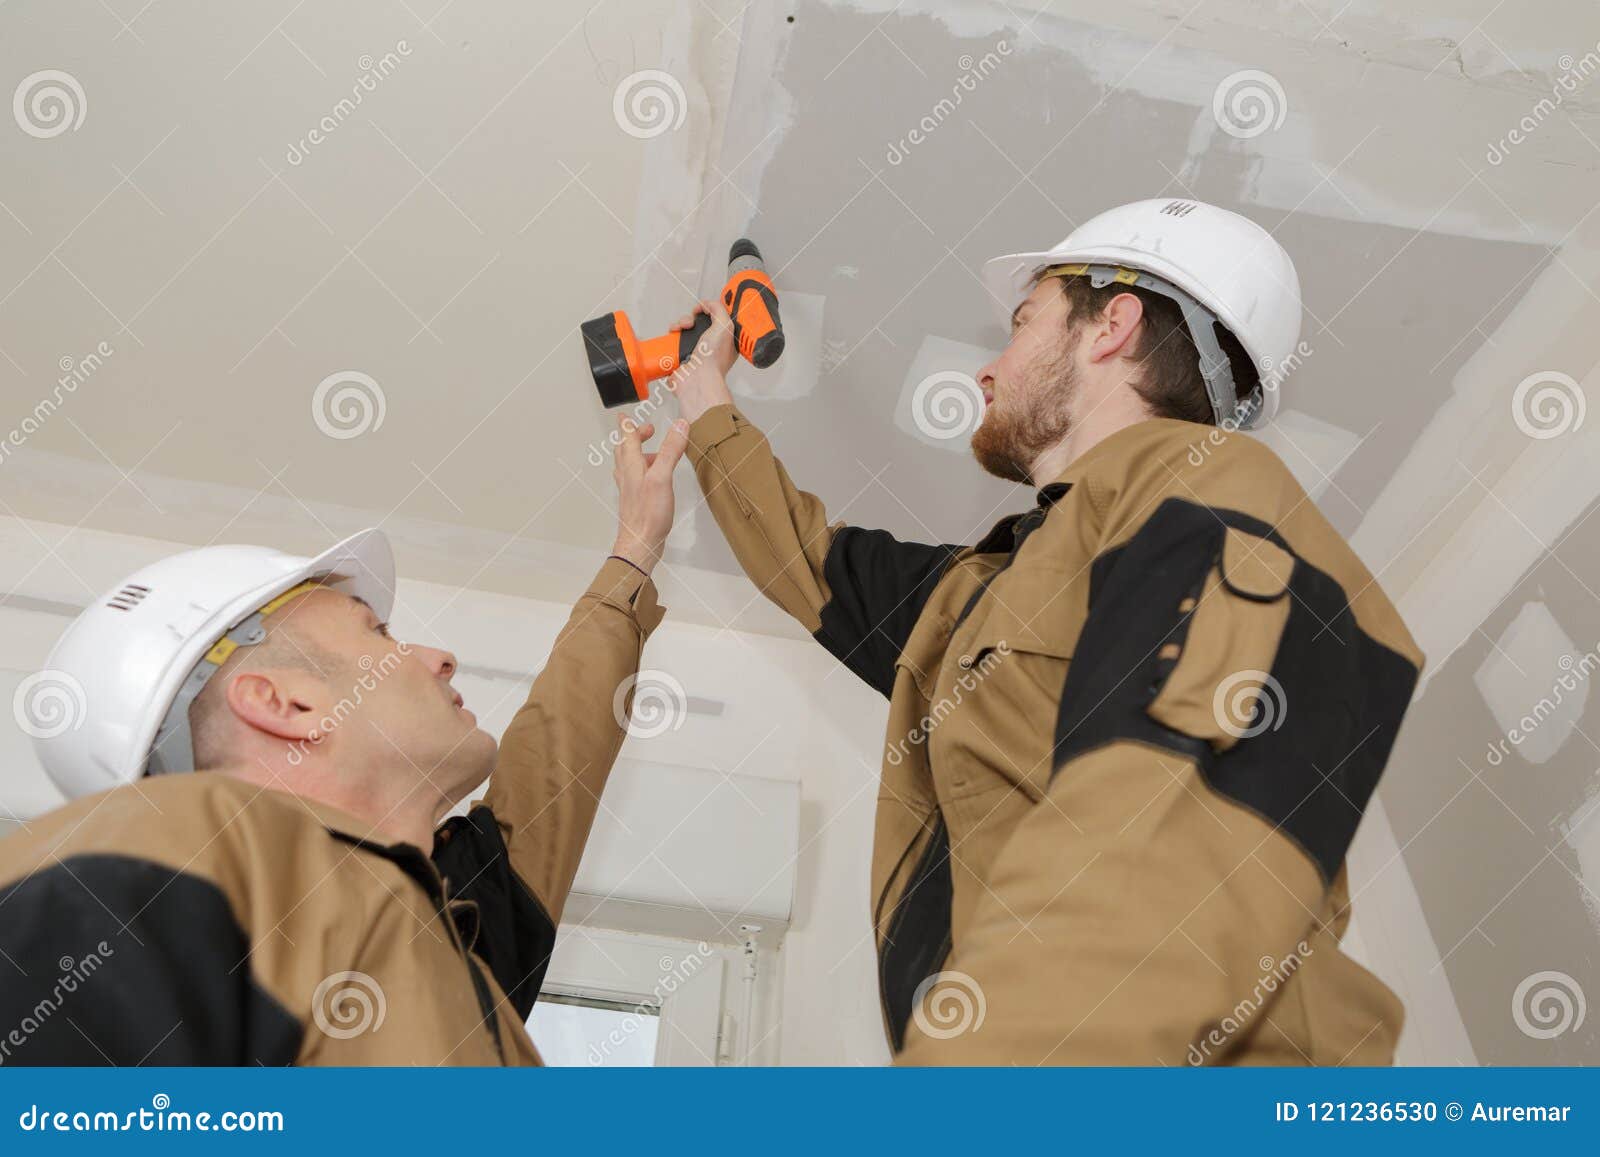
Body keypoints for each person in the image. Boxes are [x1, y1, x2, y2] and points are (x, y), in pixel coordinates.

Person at [667, 198, 1425, 1065]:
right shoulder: (987, 591)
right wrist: (705, 401)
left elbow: (1177, 847)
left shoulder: (1219, 488)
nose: (988, 370)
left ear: (1112, 327)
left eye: (1023, 323)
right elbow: (808, 563)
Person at [0, 415, 689, 1065]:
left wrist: (635, 549)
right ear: (286, 703)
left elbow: (552, 766)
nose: (440, 656)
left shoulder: (443, 941)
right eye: (378, 633)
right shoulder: (148, 869)